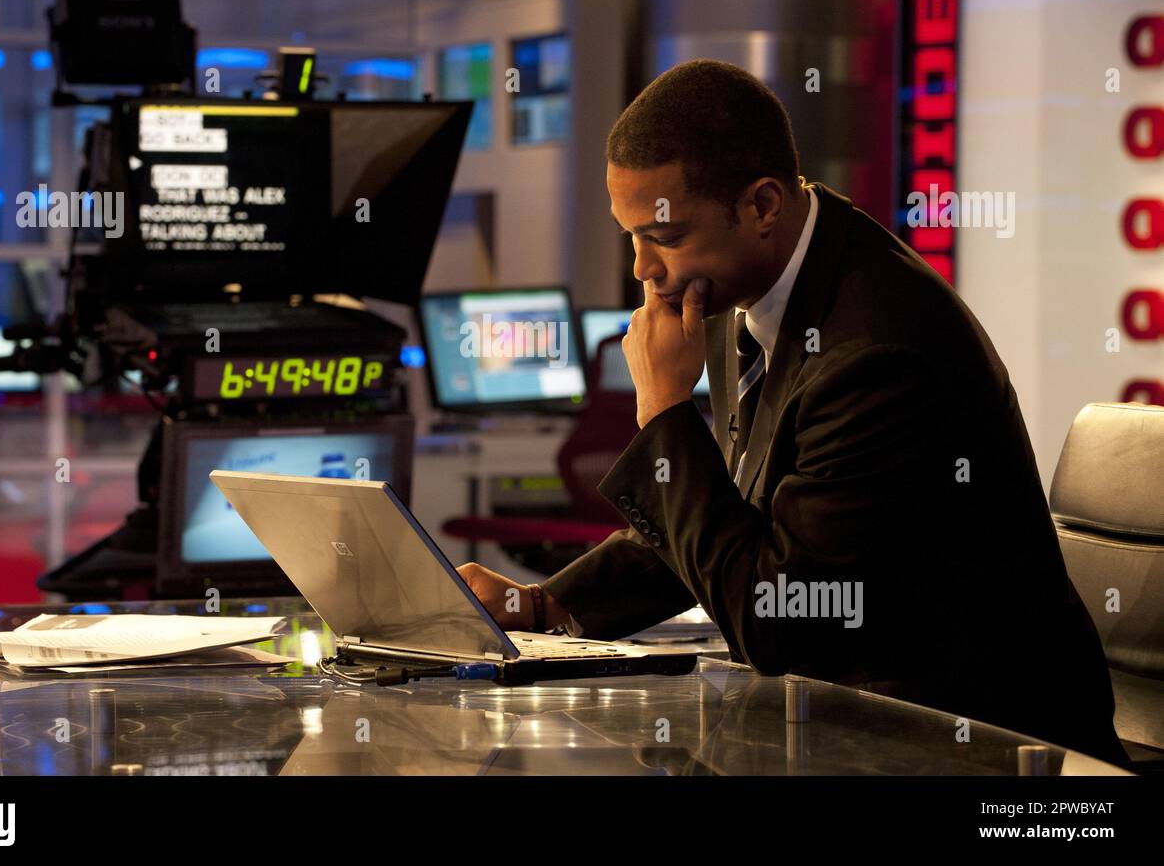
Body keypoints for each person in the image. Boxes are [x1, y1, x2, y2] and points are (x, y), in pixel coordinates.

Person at [459, 58, 1128, 766]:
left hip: (980, 751)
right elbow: (724, 518)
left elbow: (777, 619)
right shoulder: (752, 288)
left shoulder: (877, 353)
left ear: (763, 206)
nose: (642, 271)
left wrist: (663, 414)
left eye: (665, 236)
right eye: (633, 237)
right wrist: (541, 610)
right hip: (853, 724)